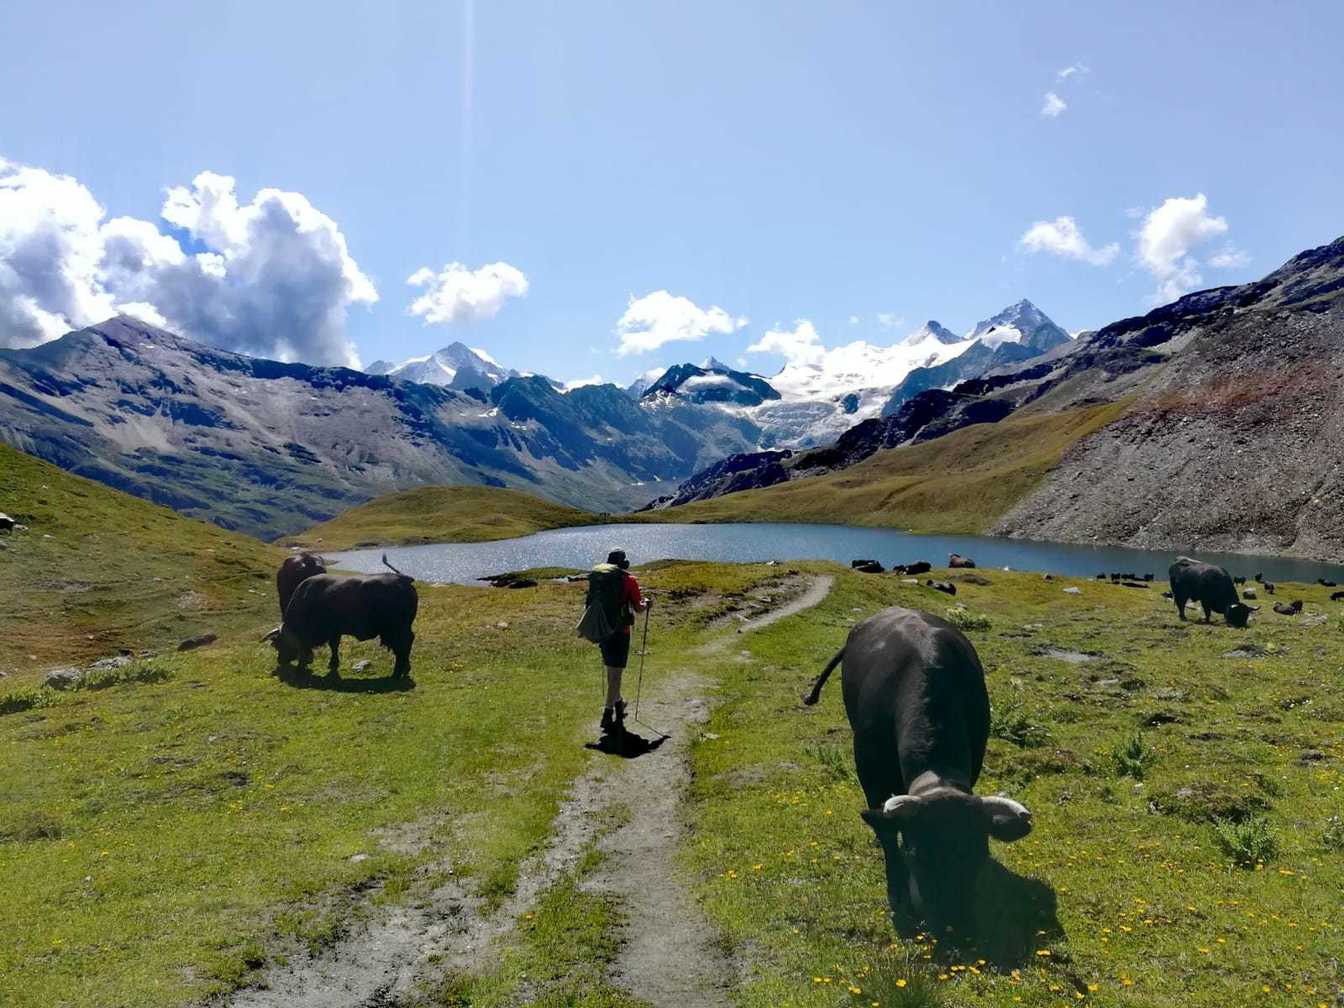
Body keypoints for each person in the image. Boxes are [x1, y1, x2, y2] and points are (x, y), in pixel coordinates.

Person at [577, 548, 652, 734]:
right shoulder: (629, 580)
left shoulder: (599, 578)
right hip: (620, 631)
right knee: (615, 675)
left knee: (612, 672)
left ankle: (619, 704)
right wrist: (648, 604)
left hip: (603, 628)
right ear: (623, 562)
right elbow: (639, 608)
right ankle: (607, 713)